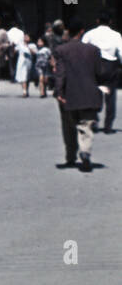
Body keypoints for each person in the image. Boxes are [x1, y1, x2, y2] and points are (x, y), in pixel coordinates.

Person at [53, 19, 105, 172]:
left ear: (68, 31)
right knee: (86, 126)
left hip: (69, 95)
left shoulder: (61, 50)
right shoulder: (94, 50)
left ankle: (70, 156)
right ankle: (85, 152)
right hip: (89, 94)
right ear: (82, 32)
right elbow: (99, 73)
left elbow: (60, 74)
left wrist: (59, 92)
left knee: (68, 127)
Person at [83, 12, 121, 133]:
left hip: (94, 66)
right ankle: (108, 125)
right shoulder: (116, 35)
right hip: (110, 67)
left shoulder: (90, 34)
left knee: (94, 93)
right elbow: (121, 52)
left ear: (97, 20)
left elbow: (83, 49)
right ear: (110, 22)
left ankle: (94, 120)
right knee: (110, 96)